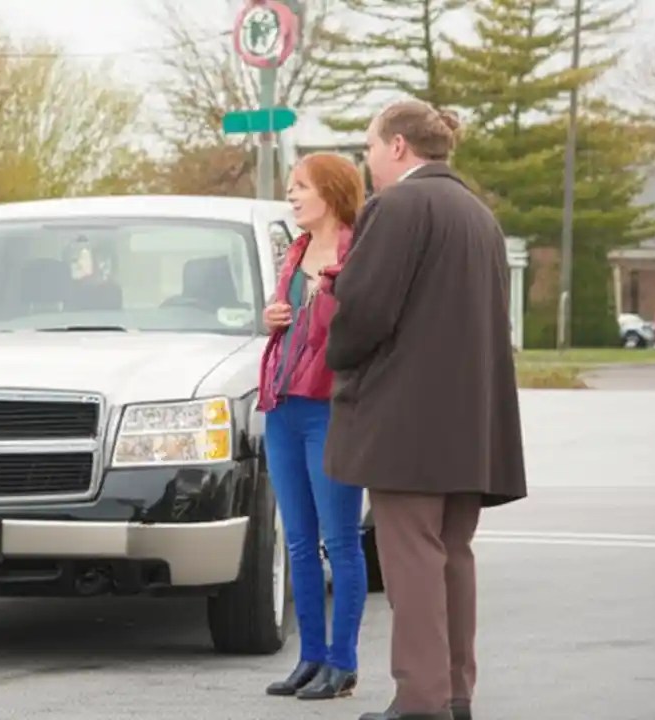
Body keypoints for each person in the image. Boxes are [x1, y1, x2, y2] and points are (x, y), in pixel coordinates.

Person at [323, 100, 528, 720]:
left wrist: (336, 315)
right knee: (451, 557)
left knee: (410, 559)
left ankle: (419, 701)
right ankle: (454, 693)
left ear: (398, 147)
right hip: (470, 421)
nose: (366, 162)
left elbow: (367, 313)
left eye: (368, 149)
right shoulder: (477, 214)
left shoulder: (399, 207)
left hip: (407, 421)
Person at [255, 152, 368, 702]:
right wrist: (272, 316)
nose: (292, 196)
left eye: (300, 187)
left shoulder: (359, 251)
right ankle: (310, 658)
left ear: (331, 190)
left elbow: (358, 329)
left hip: (331, 409)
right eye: (290, 188)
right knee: (298, 541)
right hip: (282, 407)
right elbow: (288, 322)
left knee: (339, 541)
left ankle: (342, 664)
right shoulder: (294, 251)